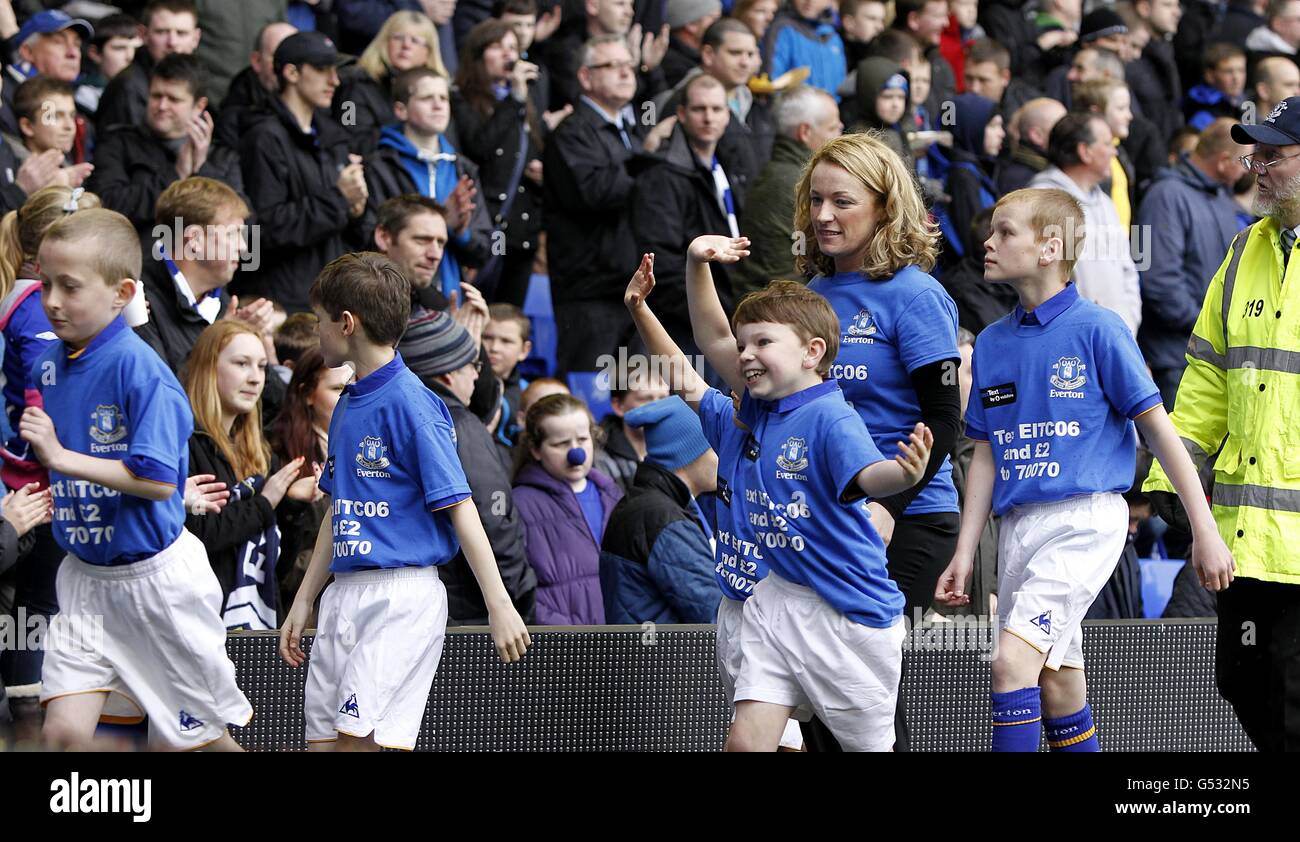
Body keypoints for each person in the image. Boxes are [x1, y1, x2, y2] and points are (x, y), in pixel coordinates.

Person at [935, 187, 1234, 752]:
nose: (987, 242)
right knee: (1059, 686)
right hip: (1020, 527)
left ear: (1050, 248)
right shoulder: (993, 342)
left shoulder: (1100, 328)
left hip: (1084, 522)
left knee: (1009, 666)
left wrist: (1205, 532)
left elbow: (1162, 435)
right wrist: (966, 550)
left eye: (1004, 232)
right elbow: (985, 456)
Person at [677, 238, 933, 752]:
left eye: (761, 343)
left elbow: (869, 479)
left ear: (813, 353)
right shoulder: (748, 413)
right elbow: (690, 367)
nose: (744, 354)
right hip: (777, 598)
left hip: (849, 617)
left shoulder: (831, 416)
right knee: (748, 743)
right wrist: (669, 284)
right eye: (743, 345)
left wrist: (903, 477)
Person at [280, 252, 531, 751]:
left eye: (322, 323)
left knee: (360, 743)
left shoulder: (414, 404)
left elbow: (460, 506)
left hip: (400, 597)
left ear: (347, 323)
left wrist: (497, 602)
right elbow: (339, 507)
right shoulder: (349, 400)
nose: (319, 335)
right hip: (344, 593)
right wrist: (306, 598)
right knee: (321, 745)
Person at [28, 208, 251, 751]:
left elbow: (154, 481)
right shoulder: (48, 365)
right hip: (84, 580)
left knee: (199, 744)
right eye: (45, 283)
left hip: (156, 586)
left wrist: (62, 460)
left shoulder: (141, 369)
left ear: (121, 292)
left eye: (70, 287)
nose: (53, 300)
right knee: (61, 736)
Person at [1142, 99, 1300, 751]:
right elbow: (1205, 379)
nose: (1256, 170)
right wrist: (1165, 481)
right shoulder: (1245, 249)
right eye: (1252, 156)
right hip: (1246, 538)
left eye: (1272, 157)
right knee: (1242, 680)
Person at [798, 132, 963, 751]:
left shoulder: (915, 294)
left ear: (884, 205)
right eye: (815, 201)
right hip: (828, 516)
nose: (823, 216)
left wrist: (885, 505)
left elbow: (944, 418)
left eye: (842, 201)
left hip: (910, 516)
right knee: (816, 690)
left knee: (861, 689)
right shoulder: (811, 296)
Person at [403, 307, 538, 626]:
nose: (479, 375)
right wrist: (519, 594)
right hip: (471, 612)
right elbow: (492, 518)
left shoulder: (394, 419)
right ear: (448, 375)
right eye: (473, 366)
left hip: (419, 605)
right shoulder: (461, 425)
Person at [181, 320, 320, 629]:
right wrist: (266, 502)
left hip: (259, 621)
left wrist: (292, 508)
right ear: (208, 368)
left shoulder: (260, 452)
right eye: (241, 364)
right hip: (202, 623)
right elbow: (202, 536)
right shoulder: (185, 442)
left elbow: (279, 569)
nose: (255, 378)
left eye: (261, 366)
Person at [238, 31, 371, 313]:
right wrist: (339, 199)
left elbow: (347, 227)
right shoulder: (264, 137)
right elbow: (264, 230)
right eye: (322, 70)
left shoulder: (332, 137)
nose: (334, 80)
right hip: (286, 302)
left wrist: (356, 211)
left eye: (335, 71)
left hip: (330, 297)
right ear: (291, 73)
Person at [543, 33, 651, 373]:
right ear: (585, 77)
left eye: (628, 65)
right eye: (611, 65)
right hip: (589, 293)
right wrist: (648, 165)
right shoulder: (571, 132)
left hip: (631, 288)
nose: (624, 72)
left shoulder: (630, 131)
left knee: (637, 398)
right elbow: (595, 192)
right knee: (592, 396)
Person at [1136, 117, 1247, 408]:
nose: (1249, 169)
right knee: (1179, 452)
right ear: (1224, 161)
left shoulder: (1221, 196)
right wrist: (1206, 326)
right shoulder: (1164, 195)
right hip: (1175, 359)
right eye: (1244, 160)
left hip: (1213, 353)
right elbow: (1157, 280)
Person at [631, 74, 742, 352]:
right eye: (699, 109)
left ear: (728, 115)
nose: (708, 118)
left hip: (723, 316)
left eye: (716, 109)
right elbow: (661, 261)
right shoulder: (662, 175)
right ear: (681, 114)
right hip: (687, 325)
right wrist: (709, 314)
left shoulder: (727, 166)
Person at [367, 67, 492, 299]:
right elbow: (368, 237)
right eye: (427, 98)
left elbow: (485, 250)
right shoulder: (379, 166)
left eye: (444, 98)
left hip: (450, 305)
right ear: (400, 110)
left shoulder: (463, 168)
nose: (438, 105)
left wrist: (460, 232)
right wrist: (444, 221)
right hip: (394, 302)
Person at [89, 54, 244, 236]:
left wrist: (202, 171)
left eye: (173, 99)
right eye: (156, 96)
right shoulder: (117, 143)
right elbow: (105, 206)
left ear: (199, 106)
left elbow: (245, 228)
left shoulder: (222, 158)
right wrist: (176, 174)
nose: (162, 106)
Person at [600, 392, 721, 623]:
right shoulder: (663, 519)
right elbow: (714, 612)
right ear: (688, 454)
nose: (723, 456)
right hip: (663, 659)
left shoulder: (655, 505)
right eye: (715, 447)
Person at [450, 20, 547, 304]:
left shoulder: (525, 100)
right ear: (478, 54)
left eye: (513, 47)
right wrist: (515, 99)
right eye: (498, 46)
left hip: (522, 232)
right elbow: (481, 147)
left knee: (508, 319)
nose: (509, 54)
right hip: (487, 226)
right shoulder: (460, 99)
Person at [1028, 112, 1142, 335]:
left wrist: (1129, 323)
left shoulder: (1106, 203)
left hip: (1116, 338)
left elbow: (1127, 270)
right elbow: (1043, 278)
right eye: (1108, 144)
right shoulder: (1042, 199)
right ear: (1085, 151)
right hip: (1071, 344)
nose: (1114, 151)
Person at [513, 393, 622, 624]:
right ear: (535, 449)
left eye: (582, 440)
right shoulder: (519, 504)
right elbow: (517, 587)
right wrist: (564, 634)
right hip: (562, 648)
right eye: (561, 444)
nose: (576, 453)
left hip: (619, 643)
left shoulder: (613, 494)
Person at [734, 84, 841, 299]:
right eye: (832, 129)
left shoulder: (788, 174)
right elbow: (787, 271)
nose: (841, 134)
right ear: (805, 132)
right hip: (778, 308)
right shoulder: (798, 183)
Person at [270, 347, 351, 609]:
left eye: (354, 386)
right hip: (305, 606)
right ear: (307, 394)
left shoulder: (371, 446)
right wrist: (293, 505)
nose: (350, 396)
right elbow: (281, 567)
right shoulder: (278, 453)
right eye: (338, 389)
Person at [332, 10, 448, 155]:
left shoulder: (440, 92)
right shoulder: (355, 86)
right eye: (398, 38)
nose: (406, 45)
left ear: (428, 53)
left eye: (415, 41)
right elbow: (350, 138)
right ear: (384, 43)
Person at [97, 0, 203, 133]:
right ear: (143, 34)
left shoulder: (198, 78)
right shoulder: (128, 87)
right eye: (162, 32)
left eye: (181, 33)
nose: (172, 42)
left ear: (196, 38)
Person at [215, 21, 297, 151]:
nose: (289, 67)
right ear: (257, 61)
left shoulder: (317, 103)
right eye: (278, 57)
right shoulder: (234, 120)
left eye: (296, 57)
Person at [761, 0, 847, 98]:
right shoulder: (782, 30)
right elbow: (772, 81)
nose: (809, 1)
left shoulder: (833, 37)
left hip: (831, 109)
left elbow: (841, 83)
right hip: (793, 109)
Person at [78, 14, 144, 117]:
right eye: (120, 48)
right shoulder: (83, 95)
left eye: (136, 49)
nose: (130, 56)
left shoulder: (149, 88)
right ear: (95, 53)